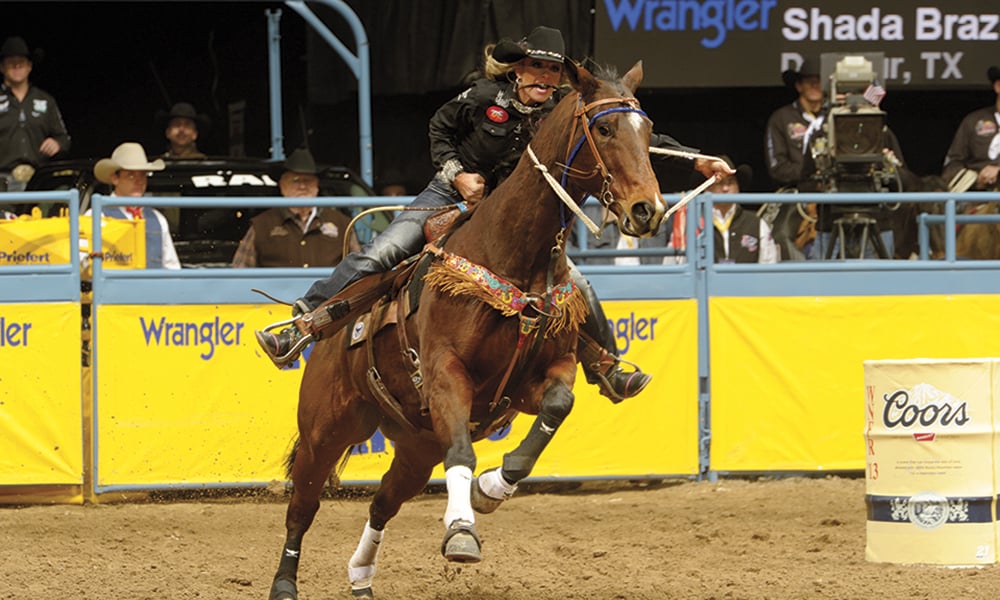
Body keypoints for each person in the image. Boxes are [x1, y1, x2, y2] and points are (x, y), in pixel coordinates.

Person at [255, 26, 727, 401]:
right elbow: (439, 127)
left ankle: (606, 366)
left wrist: (695, 158)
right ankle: (300, 323)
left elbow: (627, 135)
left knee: (575, 285)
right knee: (386, 249)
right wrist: (458, 173)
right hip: (451, 194)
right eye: (536, 68)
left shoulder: (565, 111)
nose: (544, 78)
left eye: (552, 71)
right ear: (518, 68)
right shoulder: (483, 98)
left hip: (508, 217)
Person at [231, 148, 359, 268]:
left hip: (332, 293)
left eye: (307, 180)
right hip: (275, 292)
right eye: (296, 180)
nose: (302, 186)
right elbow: (239, 274)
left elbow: (359, 272)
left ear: (316, 186)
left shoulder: (342, 224)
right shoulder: (261, 225)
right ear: (282, 186)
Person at [93, 142, 180, 269]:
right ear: (114, 178)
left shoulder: (158, 218)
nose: (139, 181)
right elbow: (83, 265)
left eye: (143, 175)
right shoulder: (96, 217)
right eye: (131, 175)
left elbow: (172, 268)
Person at [676, 156, 779, 264]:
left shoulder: (756, 224)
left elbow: (769, 267)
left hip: (747, 281)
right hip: (705, 281)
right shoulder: (690, 223)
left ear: (738, 187)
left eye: (730, 182)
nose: (725, 188)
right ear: (706, 188)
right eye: (719, 183)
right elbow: (674, 266)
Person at [0, 36, 70, 191]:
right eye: (11, 62)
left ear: (29, 66)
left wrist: (57, 143)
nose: (17, 65)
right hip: (2, 181)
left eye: (21, 61)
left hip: (39, 181)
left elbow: (64, 138)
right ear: (2, 67)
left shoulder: (45, 100)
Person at [941, 66, 1000, 192]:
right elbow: (951, 165)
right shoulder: (973, 121)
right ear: (998, 86)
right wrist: (976, 180)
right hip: (977, 200)